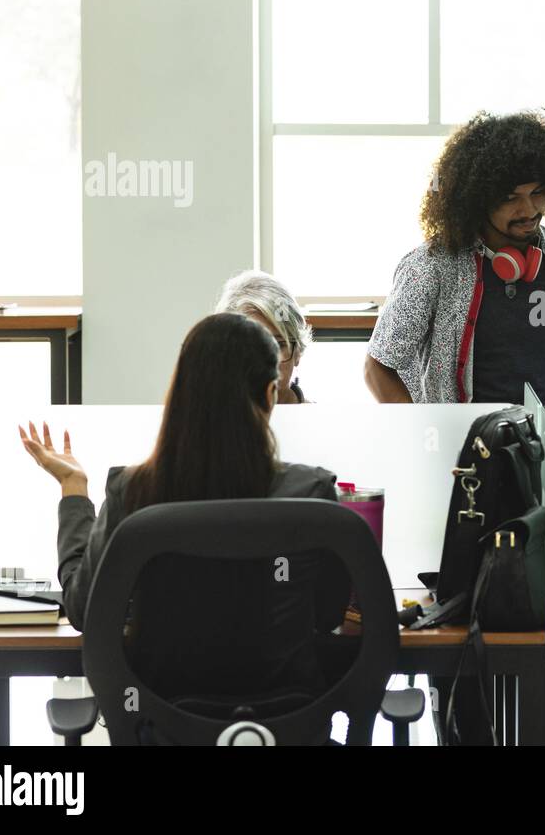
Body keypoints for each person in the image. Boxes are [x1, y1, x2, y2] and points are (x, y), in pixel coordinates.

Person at [18, 312, 350, 703]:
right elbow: (328, 614)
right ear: (269, 394)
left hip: (164, 730)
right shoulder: (310, 494)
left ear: (180, 393)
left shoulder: (134, 492)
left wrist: (73, 488)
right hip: (288, 729)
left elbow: (83, 608)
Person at [364, 110, 545, 406]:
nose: (529, 210)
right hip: (455, 443)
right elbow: (377, 368)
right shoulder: (431, 266)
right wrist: (423, 433)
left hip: (540, 441)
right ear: (476, 198)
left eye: (538, 192)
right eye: (510, 198)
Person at [216, 269, 313, 403]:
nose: (266, 361)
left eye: (279, 345)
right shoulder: (208, 422)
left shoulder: (320, 422)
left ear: (297, 352)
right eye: (251, 346)